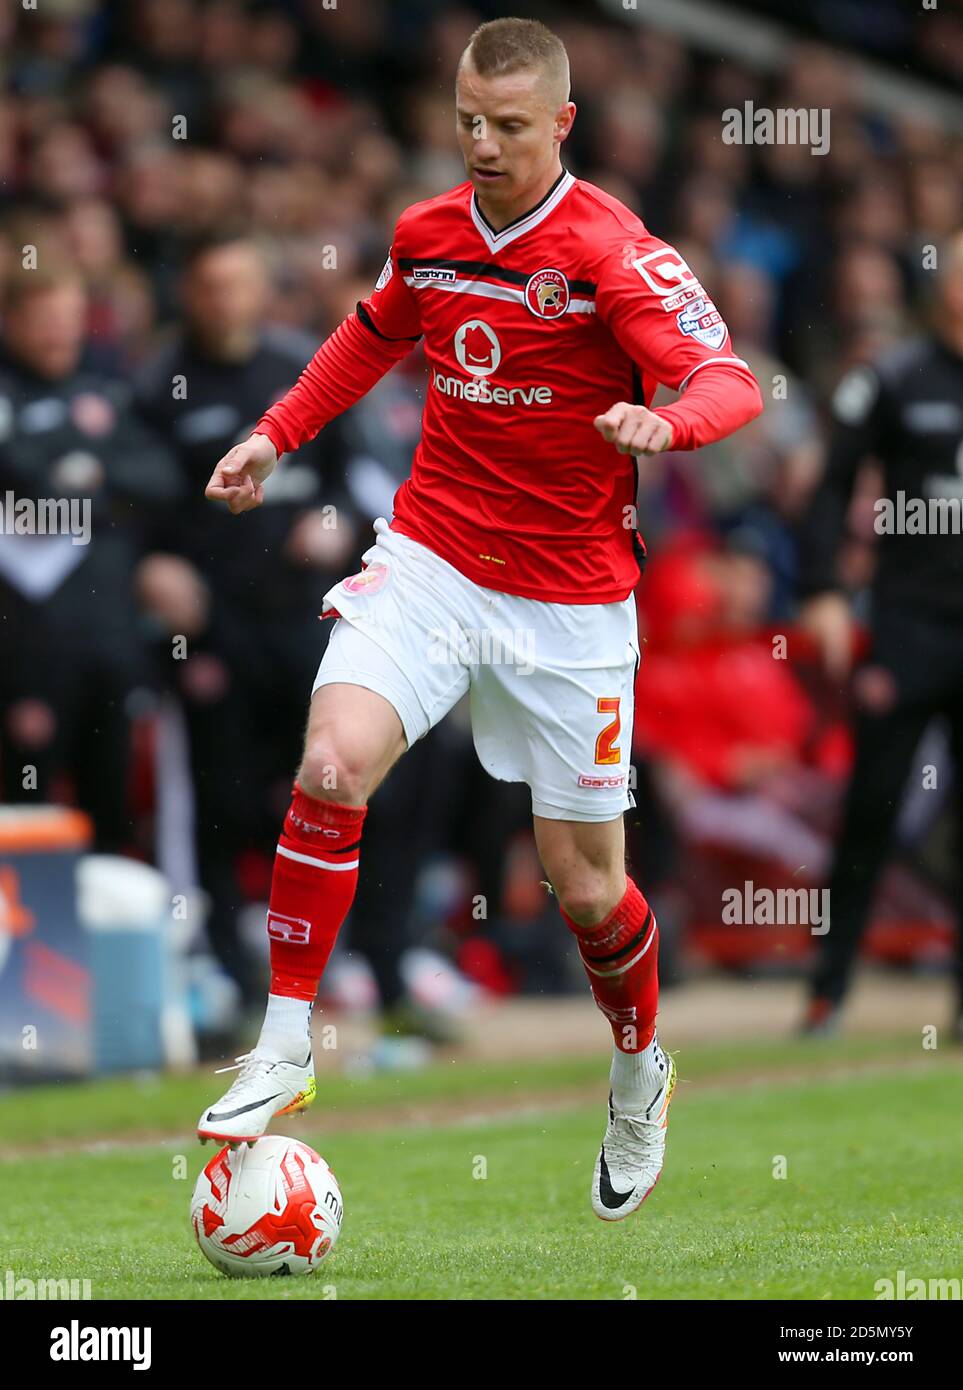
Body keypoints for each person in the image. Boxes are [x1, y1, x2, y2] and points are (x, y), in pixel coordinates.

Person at [196, 17, 762, 1221]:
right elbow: (366, 338)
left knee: (584, 885)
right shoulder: (431, 233)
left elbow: (727, 378)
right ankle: (286, 1044)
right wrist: (275, 433)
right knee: (333, 762)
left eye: (509, 126)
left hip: (570, 601)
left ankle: (636, 1067)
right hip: (437, 558)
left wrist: (671, 424)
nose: (484, 145)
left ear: (562, 124)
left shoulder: (616, 252)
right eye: (468, 121)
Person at [135, 230, 357, 1007]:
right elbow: (136, 503)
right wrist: (151, 564)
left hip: (306, 613)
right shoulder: (158, 384)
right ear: (188, 295)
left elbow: (352, 478)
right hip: (212, 626)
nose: (223, 301)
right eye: (208, 286)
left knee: (324, 783)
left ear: (263, 289)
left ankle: (333, 958)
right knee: (218, 796)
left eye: (237, 283)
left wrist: (334, 519)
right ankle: (222, 964)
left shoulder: (303, 366)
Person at [797, 230, 963, 1039]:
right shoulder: (895, 378)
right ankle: (828, 989)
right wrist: (826, 590)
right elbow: (829, 486)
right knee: (871, 808)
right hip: (906, 630)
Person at [0, 263, 180, 850]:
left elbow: (162, 480)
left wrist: (91, 476)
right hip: (24, 644)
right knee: (24, 803)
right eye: (43, 318)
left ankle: (102, 935)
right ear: (13, 321)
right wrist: (105, 497)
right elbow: (25, 488)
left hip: (108, 636)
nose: (59, 332)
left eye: (68, 318)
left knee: (112, 806)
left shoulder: (104, 392)